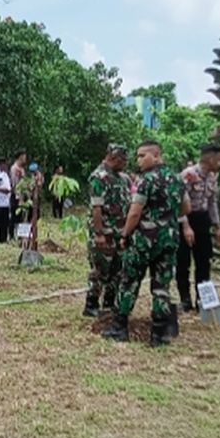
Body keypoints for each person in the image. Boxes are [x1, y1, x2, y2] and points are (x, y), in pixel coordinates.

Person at [103, 141, 189, 346]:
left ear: (156, 156)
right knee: (161, 286)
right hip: (169, 239)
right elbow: (186, 207)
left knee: (129, 281)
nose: (138, 160)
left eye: (143, 156)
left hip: (145, 240)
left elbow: (134, 213)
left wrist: (125, 234)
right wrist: (167, 217)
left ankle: (119, 327)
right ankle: (159, 334)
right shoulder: (177, 179)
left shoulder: (146, 181)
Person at [177, 144, 220, 312]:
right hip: (186, 220)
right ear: (210, 158)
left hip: (202, 220)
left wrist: (217, 227)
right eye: (218, 159)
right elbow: (179, 202)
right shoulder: (188, 175)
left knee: (204, 261)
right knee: (183, 262)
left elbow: (212, 203)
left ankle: (202, 301)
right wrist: (186, 226)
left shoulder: (212, 178)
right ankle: (185, 300)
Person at [84, 144, 129, 317]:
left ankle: (109, 303)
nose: (125, 164)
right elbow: (97, 208)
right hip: (105, 232)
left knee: (117, 270)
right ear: (114, 158)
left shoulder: (122, 178)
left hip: (119, 233)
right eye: (123, 160)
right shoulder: (99, 177)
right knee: (100, 270)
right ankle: (91, 304)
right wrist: (99, 233)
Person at [9, 150, 27, 228]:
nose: (25, 159)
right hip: (16, 195)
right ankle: (12, 233)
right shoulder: (14, 168)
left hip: (22, 195)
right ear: (20, 157)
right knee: (14, 215)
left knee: (21, 216)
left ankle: (20, 233)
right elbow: (14, 184)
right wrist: (18, 196)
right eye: (24, 157)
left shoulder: (22, 169)